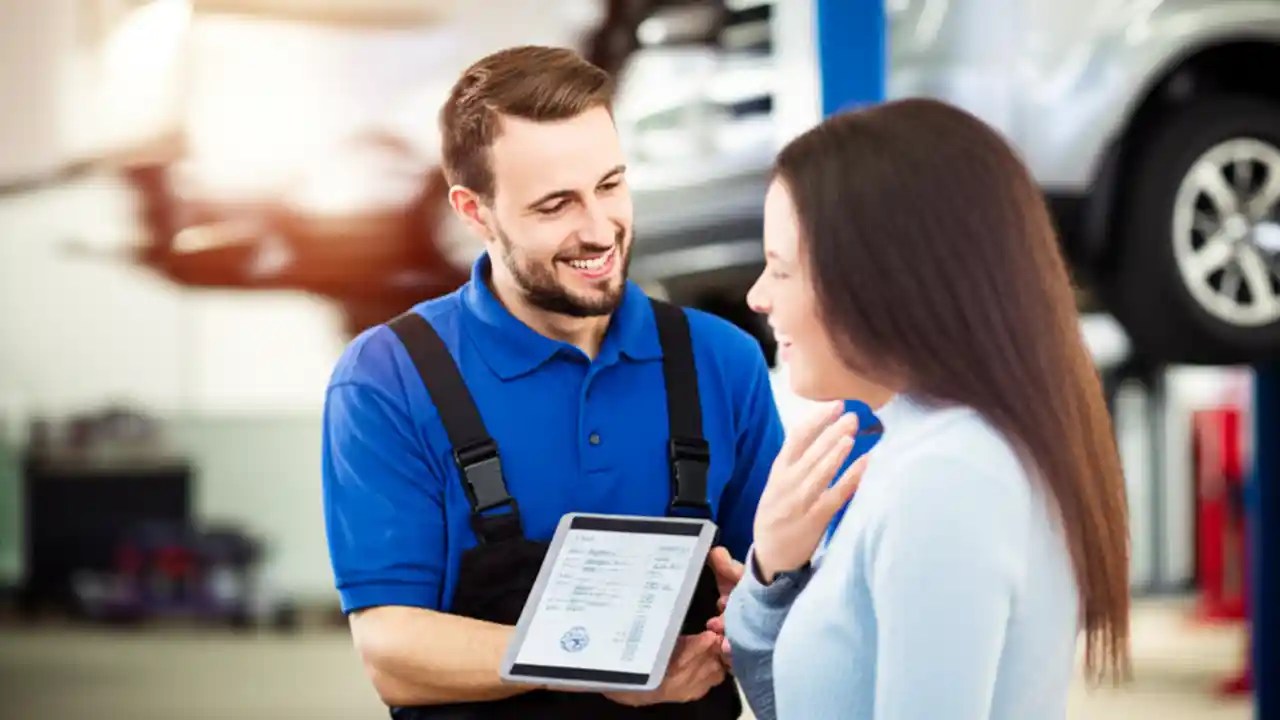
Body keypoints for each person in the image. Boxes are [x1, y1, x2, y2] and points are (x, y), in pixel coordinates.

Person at [320, 45, 789, 719]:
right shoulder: (387, 378)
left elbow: (775, 591)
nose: (598, 229)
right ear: (475, 212)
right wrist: (594, 665)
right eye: (555, 205)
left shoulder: (721, 361)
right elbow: (392, 651)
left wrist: (753, 612)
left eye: (610, 185)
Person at [717, 98, 1133, 719]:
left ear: (874, 276)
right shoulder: (931, 449)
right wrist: (772, 574)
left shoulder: (946, 476)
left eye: (780, 270)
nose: (757, 296)